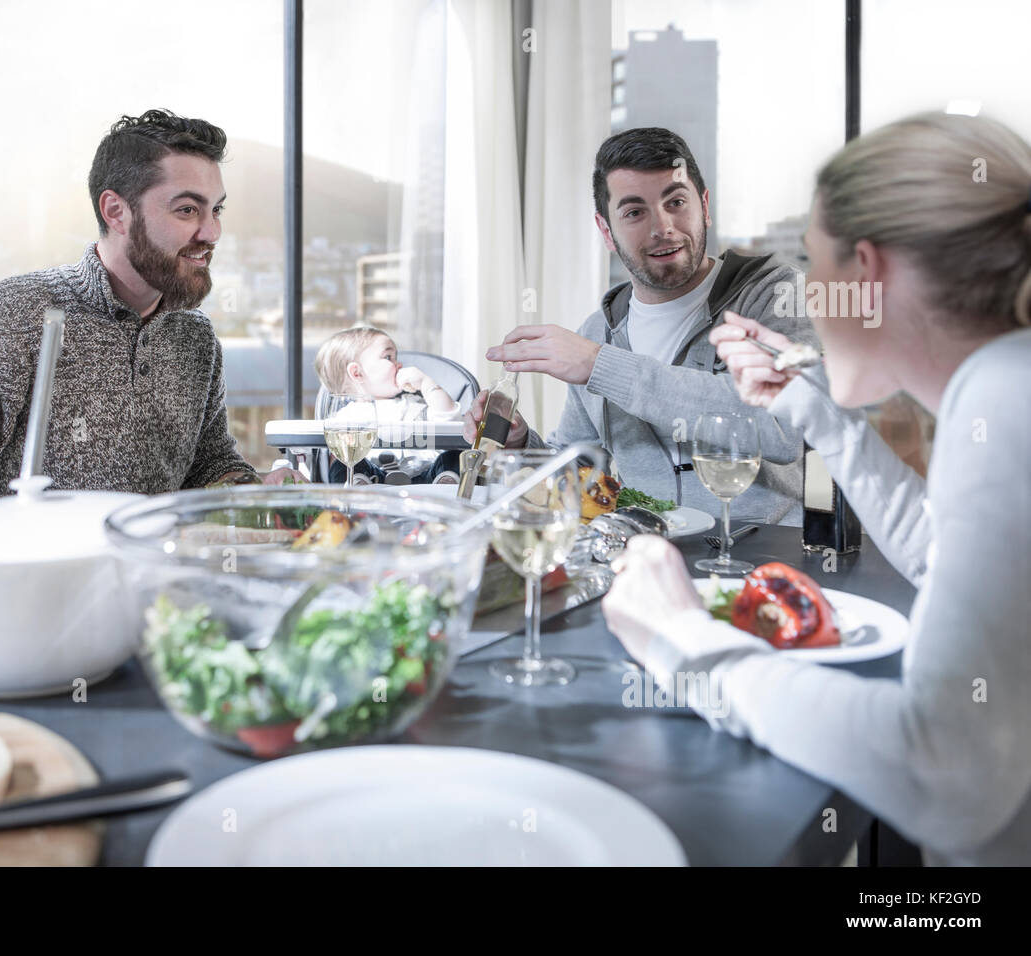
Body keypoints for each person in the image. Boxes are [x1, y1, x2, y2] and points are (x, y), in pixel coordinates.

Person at [602, 112, 1031, 865]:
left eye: (812, 260)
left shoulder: (1007, 400)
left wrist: (684, 641)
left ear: (865, 272)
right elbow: (942, 551)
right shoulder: (1002, 384)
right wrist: (818, 411)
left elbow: (946, 779)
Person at [0, 109, 299, 524]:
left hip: (151, 588)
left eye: (216, 210)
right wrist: (42, 537)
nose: (211, 232)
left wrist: (258, 485)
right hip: (33, 592)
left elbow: (208, 466)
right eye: (187, 210)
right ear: (116, 212)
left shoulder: (193, 336)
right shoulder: (11, 317)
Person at [464, 128, 819, 524]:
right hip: (643, 557)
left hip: (765, 555)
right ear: (606, 231)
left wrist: (601, 366)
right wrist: (520, 442)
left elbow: (790, 428)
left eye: (677, 202)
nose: (662, 227)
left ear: (704, 205)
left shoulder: (773, 294)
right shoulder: (596, 332)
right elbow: (580, 468)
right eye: (635, 212)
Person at [312, 326, 463, 484]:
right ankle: (357, 485)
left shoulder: (414, 405)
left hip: (426, 480)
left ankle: (446, 484)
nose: (399, 364)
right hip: (374, 480)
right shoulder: (346, 417)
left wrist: (427, 385)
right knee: (344, 462)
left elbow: (450, 419)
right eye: (388, 357)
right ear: (357, 373)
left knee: (453, 457)